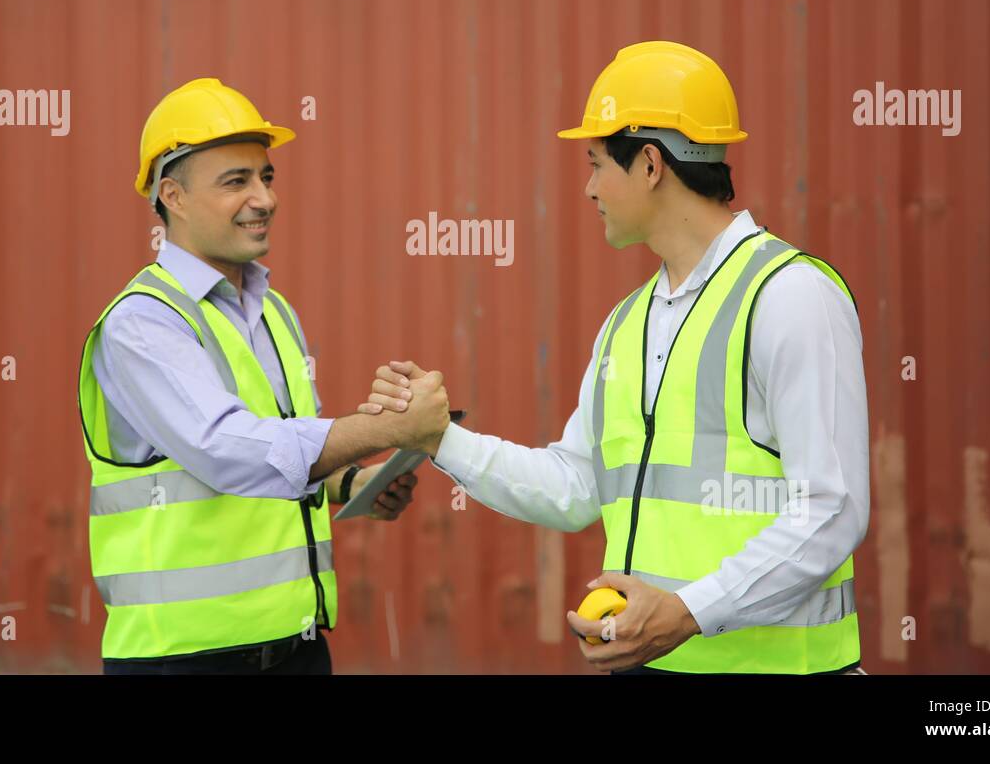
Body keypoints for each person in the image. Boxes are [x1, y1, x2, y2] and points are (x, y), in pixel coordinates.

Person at [360, 43, 870, 674]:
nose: (588, 187)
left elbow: (832, 511)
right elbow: (577, 489)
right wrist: (438, 438)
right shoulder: (627, 324)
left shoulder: (791, 297)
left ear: (651, 164)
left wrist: (685, 612)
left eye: (597, 164)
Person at [78, 78, 450, 674]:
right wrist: (386, 428)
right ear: (171, 195)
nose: (264, 198)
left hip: (294, 646)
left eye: (266, 177)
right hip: (184, 659)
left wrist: (351, 484)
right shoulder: (142, 324)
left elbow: (287, 451)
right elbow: (230, 453)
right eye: (236, 182)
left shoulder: (272, 311)